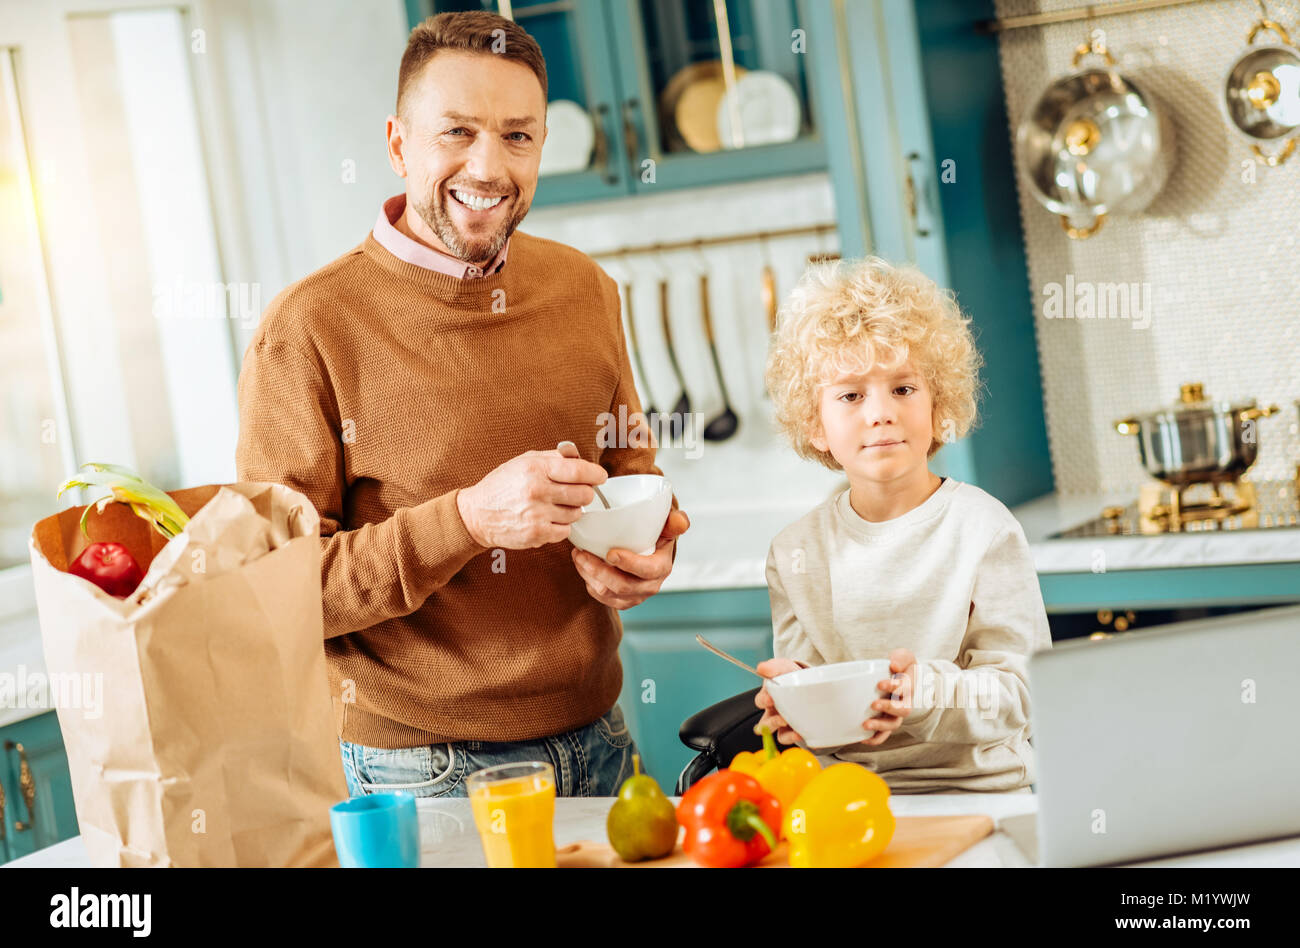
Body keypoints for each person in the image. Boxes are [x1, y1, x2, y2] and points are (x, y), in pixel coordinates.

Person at [235, 10, 688, 799]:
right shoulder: (308, 326)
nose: (488, 165)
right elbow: (278, 592)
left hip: (604, 742)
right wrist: (471, 519)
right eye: (457, 132)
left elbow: (631, 475)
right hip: (425, 772)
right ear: (398, 142)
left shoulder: (585, 289)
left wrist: (648, 554)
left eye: (518, 136)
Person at [754, 256, 1050, 794]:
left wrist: (923, 693)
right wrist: (796, 708)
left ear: (939, 405)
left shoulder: (983, 528)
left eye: (904, 389)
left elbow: (1024, 693)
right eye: (850, 395)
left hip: (983, 792)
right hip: (853, 798)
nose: (880, 413)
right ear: (814, 425)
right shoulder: (794, 551)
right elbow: (813, 694)